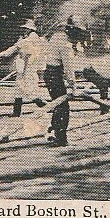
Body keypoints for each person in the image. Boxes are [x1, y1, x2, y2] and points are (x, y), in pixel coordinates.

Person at [42, 16, 86, 147]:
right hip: (54, 75)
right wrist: (73, 87)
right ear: (71, 30)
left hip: (49, 73)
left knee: (57, 105)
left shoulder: (56, 36)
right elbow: (68, 69)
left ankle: (53, 130)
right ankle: (61, 138)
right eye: (77, 31)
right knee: (63, 107)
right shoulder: (65, 44)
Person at [0, 19, 47, 116]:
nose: (23, 31)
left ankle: (49, 107)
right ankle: (16, 113)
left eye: (25, 29)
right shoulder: (40, 41)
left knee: (29, 92)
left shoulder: (25, 41)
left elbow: (11, 50)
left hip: (25, 68)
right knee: (21, 90)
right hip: (32, 68)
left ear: (29, 30)